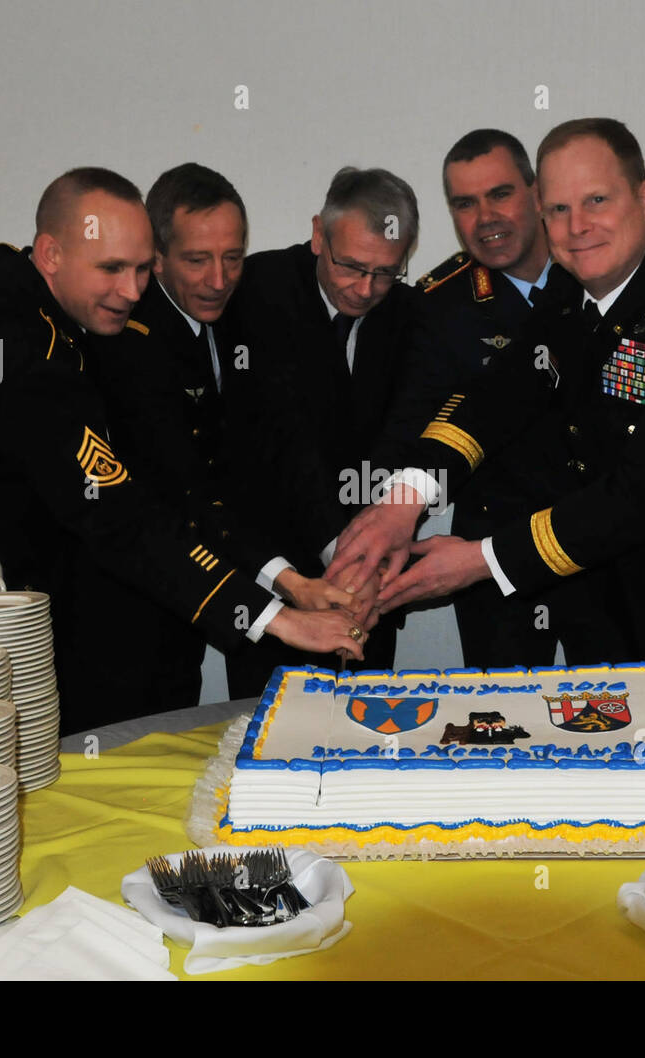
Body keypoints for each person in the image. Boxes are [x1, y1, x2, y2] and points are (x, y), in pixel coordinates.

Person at [328, 119, 645, 714]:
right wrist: (404, 500)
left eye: (597, 201)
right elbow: (501, 396)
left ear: (644, 199)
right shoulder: (574, 295)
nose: (576, 227)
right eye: (559, 208)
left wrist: (481, 560)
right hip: (635, 621)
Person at [0, 167, 365, 734]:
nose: (131, 291)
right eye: (111, 269)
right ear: (51, 253)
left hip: (41, 608)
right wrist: (270, 617)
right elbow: (113, 507)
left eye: (139, 269)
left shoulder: (73, 309)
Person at [87, 163, 359, 711]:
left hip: (203, 603)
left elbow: (280, 445)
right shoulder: (130, 346)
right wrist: (288, 583)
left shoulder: (239, 317)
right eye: (197, 260)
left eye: (232, 257)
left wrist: (338, 554)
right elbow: (185, 491)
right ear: (157, 256)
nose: (219, 279)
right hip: (125, 612)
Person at [395, 128, 625, 668]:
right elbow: (412, 426)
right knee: (501, 730)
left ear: (536, 193)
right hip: (490, 556)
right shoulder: (438, 303)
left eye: (500, 194)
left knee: (621, 717)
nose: (484, 218)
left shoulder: (597, 271)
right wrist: (385, 515)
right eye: (464, 204)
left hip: (602, 542)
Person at [218, 166, 420, 698]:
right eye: (351, 266)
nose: (365, 288)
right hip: (276, 571)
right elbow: (282, 437)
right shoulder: (257, 290)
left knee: (368, 736)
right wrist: (343, 556)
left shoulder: (410, 310)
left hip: (372, 581)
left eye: (385, 272)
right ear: (317, 234)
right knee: (267, 742)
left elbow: (403, 433)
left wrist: (367, 560)